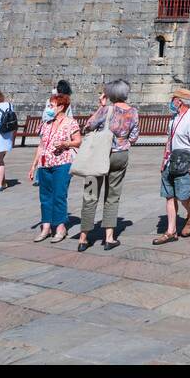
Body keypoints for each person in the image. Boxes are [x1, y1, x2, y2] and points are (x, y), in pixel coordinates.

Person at [76, 79, 139, 252]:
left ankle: (83, 238)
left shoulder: (105, 110)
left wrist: (101, 106)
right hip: (120, 155)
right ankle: (109, 238)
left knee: (90, 194)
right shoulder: (133, 112)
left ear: (109, 94)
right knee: (112, 196)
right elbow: (133, 137)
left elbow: (88, 127)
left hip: (99, 155)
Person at [153, 87, 190, 244]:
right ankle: (171, 231)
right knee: (169, 196)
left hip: (184, 164)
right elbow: (170, 140)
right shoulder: (174, 118)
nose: (171, 101)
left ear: (179, 101)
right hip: (169, 163)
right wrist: (163, 159)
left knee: (183, 196)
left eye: (173, 99)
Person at [30, 93, 78, 242]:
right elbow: (41, 145)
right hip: (45, 164)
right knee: (45, 196)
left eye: (51, 105)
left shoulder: (70, 123)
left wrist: (66, 144)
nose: (48, 108)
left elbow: (78, 141)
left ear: (61, 107)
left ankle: (60, 227)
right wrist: (34, 165)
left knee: (59, 195)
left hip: (62, 163)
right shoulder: (46, 123)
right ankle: (46, 227)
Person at [34, 80, 72, 186]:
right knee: (48, 152)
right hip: (53, 129)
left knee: (45, 152)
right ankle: (40, 177)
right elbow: (70, 116)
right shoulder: (63, 101)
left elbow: (45, 115)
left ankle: (41, 177)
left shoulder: (53, 100)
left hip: (51, 129)